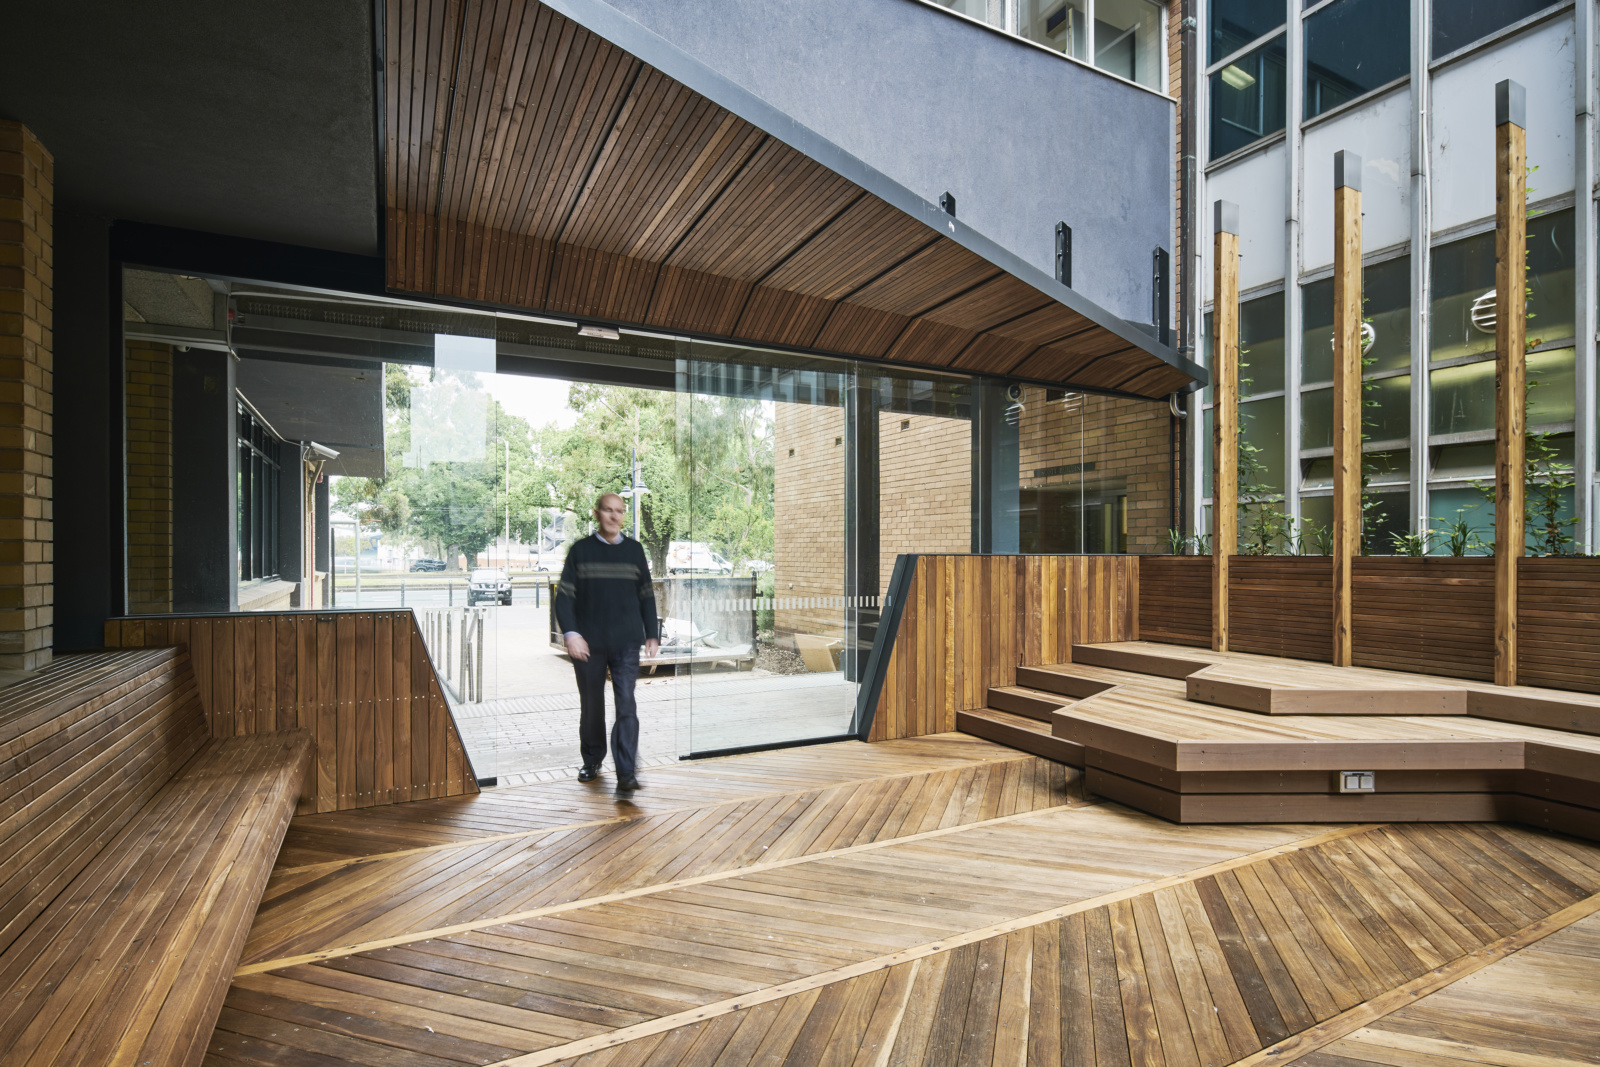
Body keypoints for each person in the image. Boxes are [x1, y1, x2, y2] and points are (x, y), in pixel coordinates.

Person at [554, 492, 660, 789]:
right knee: (592, 704)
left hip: (626, 641)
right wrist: (571, 634)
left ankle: (626, 772)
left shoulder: (635, 551)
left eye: (620, 511)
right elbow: (564, 598)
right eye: (609, 510)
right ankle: (592, 759)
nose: (615, 516)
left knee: (626, 703)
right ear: (597, 513)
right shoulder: (581, 551)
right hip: (589, 643)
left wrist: (652, 633)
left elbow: (647, 595)